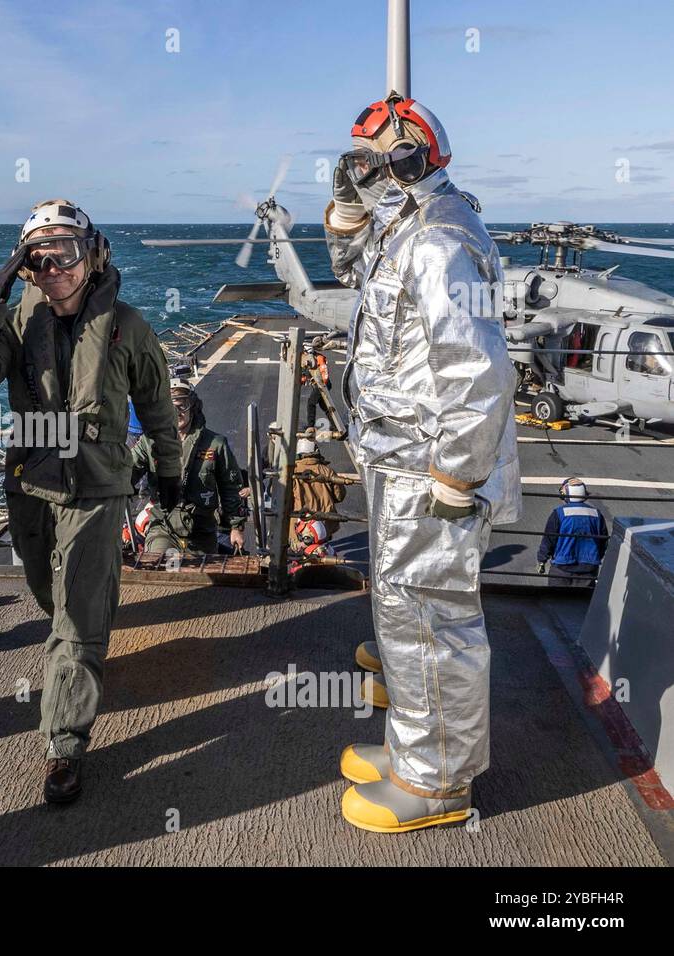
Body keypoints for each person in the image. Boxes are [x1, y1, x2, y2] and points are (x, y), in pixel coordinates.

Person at [324, 97, 522, 832]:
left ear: (416, 155)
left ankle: (438, 786)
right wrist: (348, 205)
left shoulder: (439, 239)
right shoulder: (404, 221)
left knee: (433, 623)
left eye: (380, 157)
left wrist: (457, 475)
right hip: (397, 456)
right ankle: (412, 751)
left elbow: (479, 370)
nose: (370, 170)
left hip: (430, 467)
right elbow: (351, 267)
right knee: (402, 614)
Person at [0, 199, 181, 804]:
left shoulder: (128, 326)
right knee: (50, 597)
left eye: (67, 253)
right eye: (38, 258)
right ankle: (81, 646)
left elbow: (157, 404)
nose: (54, 268)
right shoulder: (18, 319)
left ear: (93, 253)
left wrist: (170, 471)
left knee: (75, 623)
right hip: (30, 483)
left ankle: (65, 744)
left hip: (98, 486)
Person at [130, 376, 247, 556]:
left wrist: (235, 527)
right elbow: (127, 471)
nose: (177, 412)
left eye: (182, 405)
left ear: (192, 406)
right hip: (163, 527)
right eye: (170, 406)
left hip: (202, 531)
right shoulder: (149, 442)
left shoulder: (215, 444)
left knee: (204, 576)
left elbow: (230, 487)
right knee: (162, 569)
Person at [537, 478, 608, 581]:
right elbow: (603, 541)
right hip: (589, 568)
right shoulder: (596, 514)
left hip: (562, 567)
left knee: (556, 596)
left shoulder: (559, 513)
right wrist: (595, 557)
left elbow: (549, 539)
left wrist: (542, 560)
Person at [290, 437, 345, 543]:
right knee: (324, 552)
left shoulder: (292, 472)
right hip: (324, 523)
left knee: (299, 555)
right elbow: (339, 496)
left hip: (300, 522)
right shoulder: (327, 471)